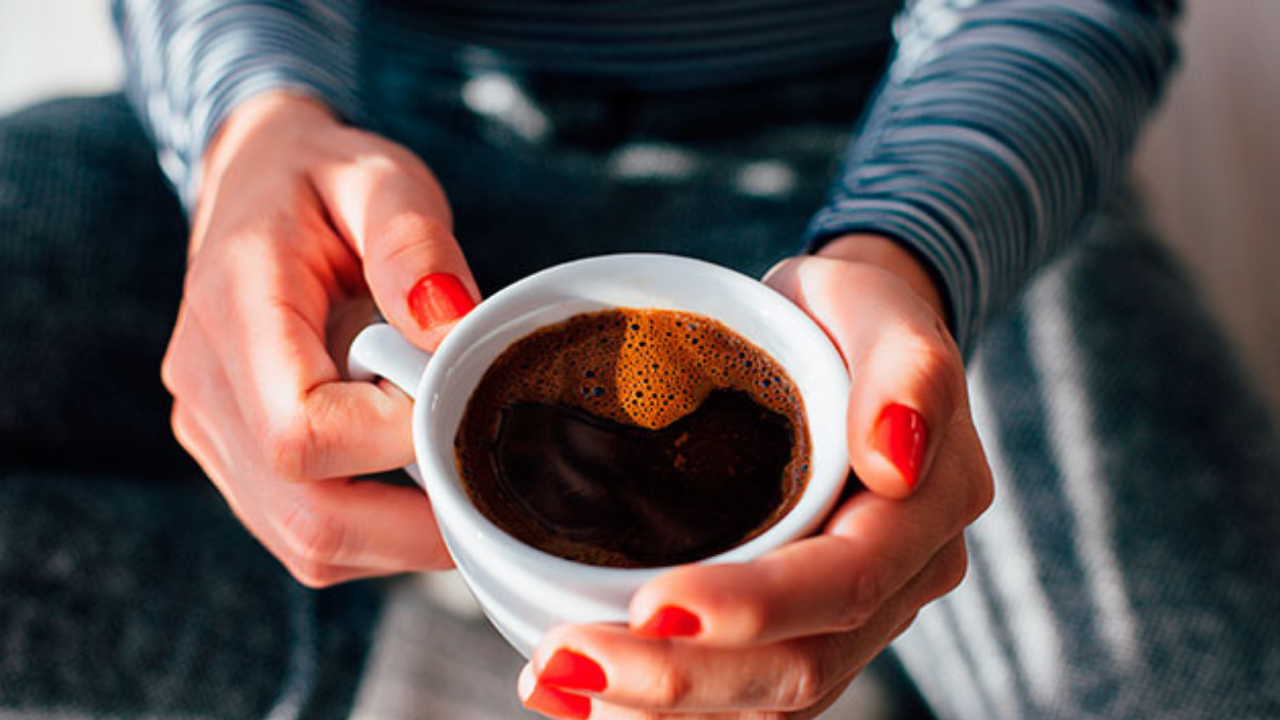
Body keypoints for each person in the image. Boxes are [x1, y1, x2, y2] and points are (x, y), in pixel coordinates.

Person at [2, 1, 1277, 718]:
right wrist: (250, 128)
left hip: (892, 170)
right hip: (379, 172)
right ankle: (439, 687)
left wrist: (913, 248)